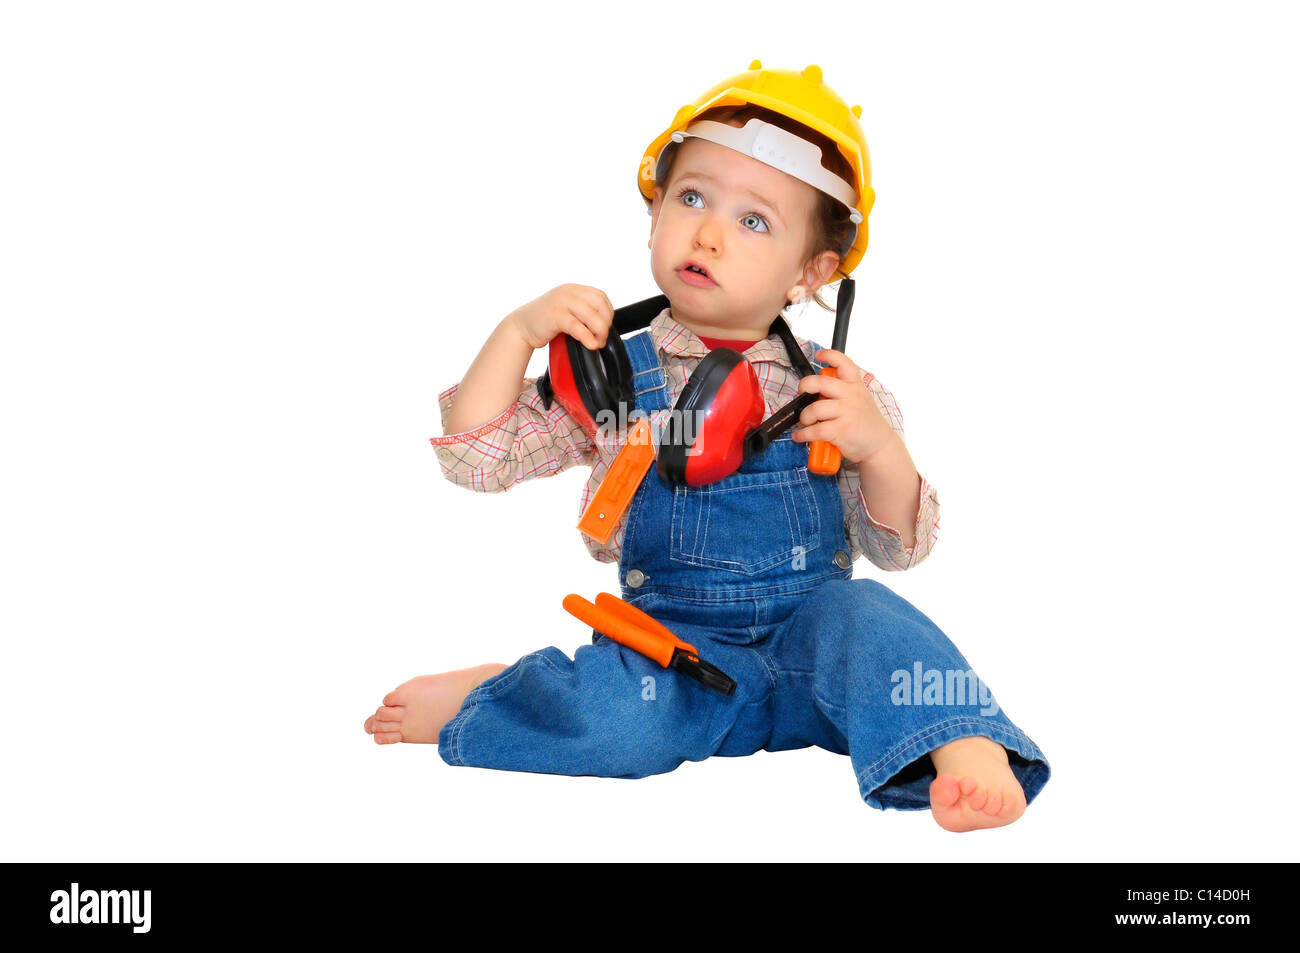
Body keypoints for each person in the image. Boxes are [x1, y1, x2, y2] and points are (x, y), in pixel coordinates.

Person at [363, 61, 1050, 832]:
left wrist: (880, 449)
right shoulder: (610, 375)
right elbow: (474, 459)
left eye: (754, 220)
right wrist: (518, 334)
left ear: (813, 271)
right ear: (654, 213)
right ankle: (497, 696)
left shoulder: (834, 390)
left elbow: (899, 548)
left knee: (873, 619)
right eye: (691, 198)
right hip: (676, 655)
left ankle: (959, 739)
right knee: (622, 724)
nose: (710, 233)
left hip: (813, 651)